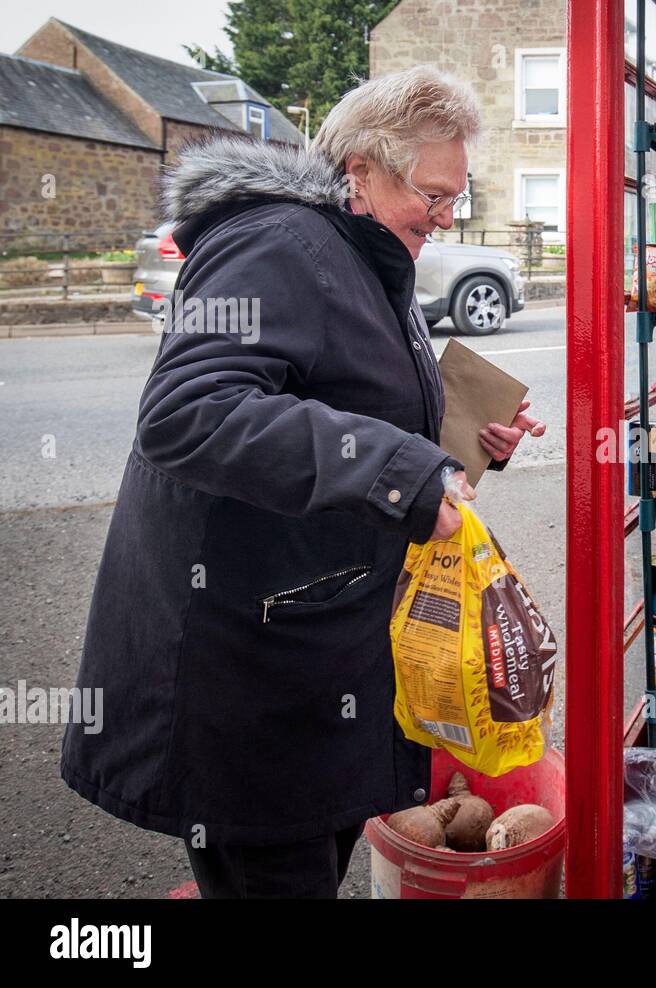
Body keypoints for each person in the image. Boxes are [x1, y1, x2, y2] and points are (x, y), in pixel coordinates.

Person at [59, 65, 544, 898]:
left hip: (313, 650)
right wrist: (402, 471)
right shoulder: (279, 244)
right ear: (360, 170)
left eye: (455, 199)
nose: (444, 217)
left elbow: (339, 407)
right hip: (244, 672)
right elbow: (189, 411)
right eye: (432, 196)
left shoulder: (361, 252)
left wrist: (461, 448)